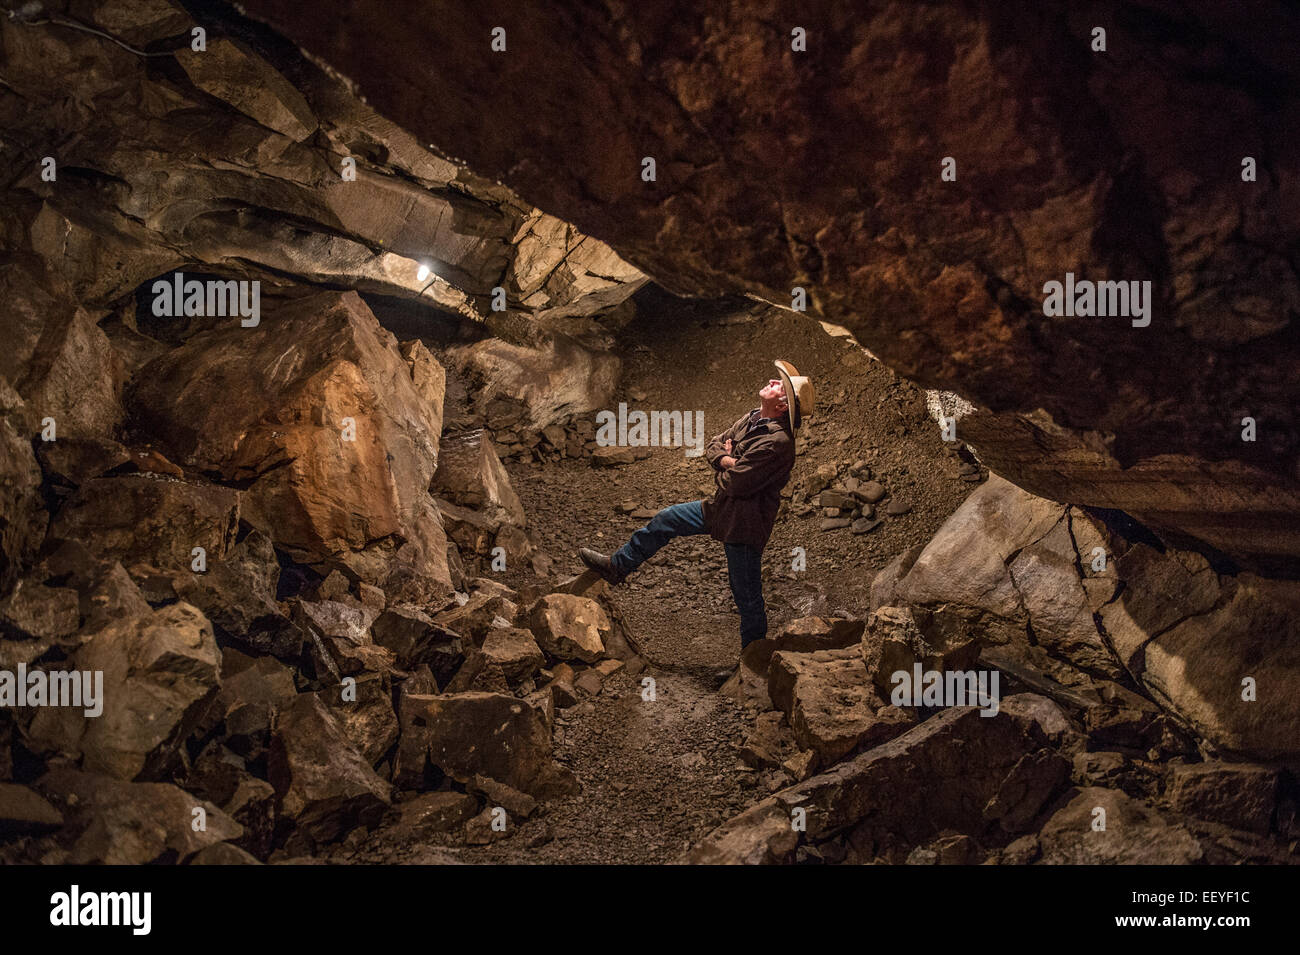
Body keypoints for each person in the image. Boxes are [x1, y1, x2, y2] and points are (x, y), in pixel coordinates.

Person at [579, 360, 816, 664]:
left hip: (744, 525)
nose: (772, 380)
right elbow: (714, 445)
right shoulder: (753, 417)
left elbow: (736, 482)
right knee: (667, 519)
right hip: (721, 509)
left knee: (747, 597)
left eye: (778, 385)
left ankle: (753, 663)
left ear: (783, 405)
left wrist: (728, 462)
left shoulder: (778, 443)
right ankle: (617, 566)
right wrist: (726, 458)